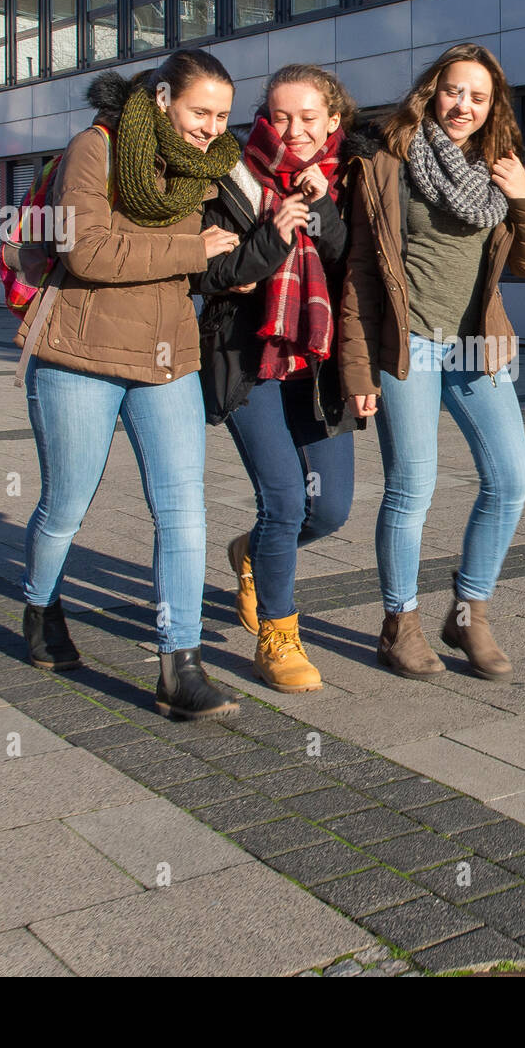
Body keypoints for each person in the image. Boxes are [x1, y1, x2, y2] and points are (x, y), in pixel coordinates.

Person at [15, 50, 244, 721]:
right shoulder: (98, 146)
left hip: (168, 355)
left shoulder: (208, 166)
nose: (211, 127)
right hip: (78, 352)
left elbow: (230, 249)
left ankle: (181, 664)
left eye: (223, 115)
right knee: (65, 506)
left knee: (183, 510)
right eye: (201, 111)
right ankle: (40, 606)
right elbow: (84, 250)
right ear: (165, 97)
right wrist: (192, 251)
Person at [340, 44, 525, 683]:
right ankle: (398, 624)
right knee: (413, 485)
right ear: (433, 91)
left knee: (511, 479)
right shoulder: (387, 159)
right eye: (454, 91)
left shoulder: (505, 167)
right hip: (406, 343)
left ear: (494, 107)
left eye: (478, 97)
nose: (464, 105)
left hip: (475, 345)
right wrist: (357, 370)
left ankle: (468, 611)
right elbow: (357, 271)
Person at [196, 65, 360, 694]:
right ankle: (279, 634)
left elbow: (355, 270)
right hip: (250, 357)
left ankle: (252, 554)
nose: (292, 130)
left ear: (333, 122)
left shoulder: (350, 181)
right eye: (280, 117)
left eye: (308, 118)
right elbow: (214, 275)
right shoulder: (230, 180)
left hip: (317, 363)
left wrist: (323, 208)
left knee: (331, 508)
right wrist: (273, 233)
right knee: (286, 501)